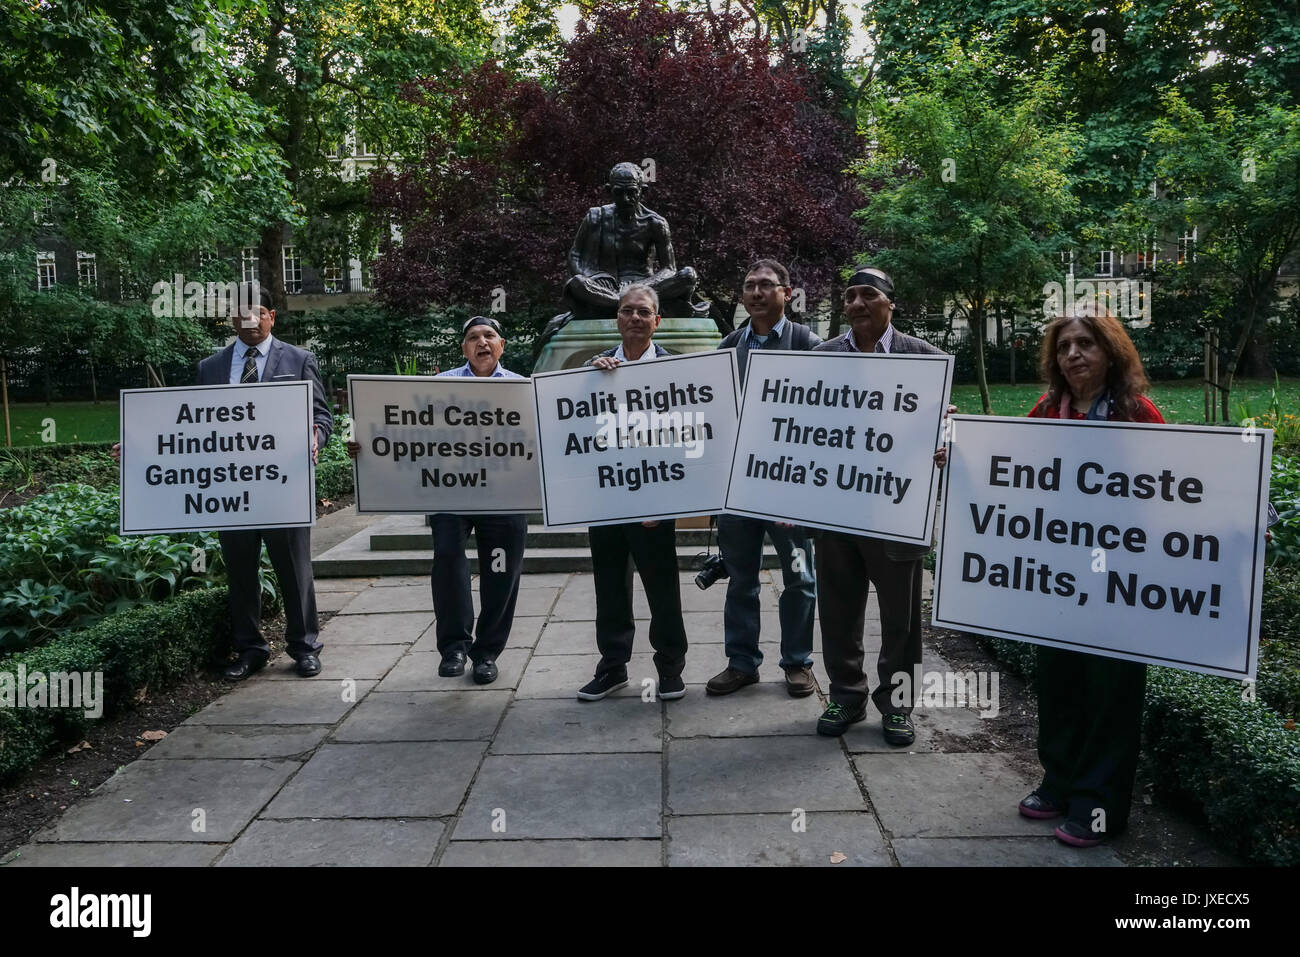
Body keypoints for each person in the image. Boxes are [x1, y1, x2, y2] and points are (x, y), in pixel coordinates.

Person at [111, 283, 333, 680]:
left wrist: (315, 437)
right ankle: (251, 650)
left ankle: (304, 647)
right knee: (241, 572)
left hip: (282, 487)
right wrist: (141, 449)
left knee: (294, 570)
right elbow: (190, 428)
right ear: (232, 318)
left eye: (259, 312)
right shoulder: (209, 368)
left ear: (271, 316)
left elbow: (322, 417)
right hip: (229, 489)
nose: (251, 320)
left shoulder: (299, 360)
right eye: (243, 314)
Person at [1017, 303, 1163, 848]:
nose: (1074, 354)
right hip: (1058, 578)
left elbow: (1178, 490)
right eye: (1064, 346)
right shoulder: (1046, 410)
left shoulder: (1137, 413)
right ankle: (1059, 783)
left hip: (1119, 583)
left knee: (1111, 692)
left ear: (1111, 352)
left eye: (1086, 344)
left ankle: (1099, 809)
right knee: (1058, 682)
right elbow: (1010, 475)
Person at [346, 316, 527, 685]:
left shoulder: (521, 389)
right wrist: (365, 445)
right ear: (464, 348)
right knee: (447, 559)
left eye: (489, 336)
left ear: (502, 345)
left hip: (504, 496)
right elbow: (403, 430)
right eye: (473, 337)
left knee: (500, 571)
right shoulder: (438, 387)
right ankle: (455, 647)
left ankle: (487, 653)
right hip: (449, 490)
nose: (482, 342)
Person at [811, 266, 948, 744]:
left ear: (891, 302)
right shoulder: (821, 357)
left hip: (897, 510)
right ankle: (845, 697)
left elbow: (947, 433)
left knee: (901, 619)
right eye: (849, 295)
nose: (856, 303)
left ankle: (897, 705)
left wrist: (946, 442)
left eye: (867, 294)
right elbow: (798, 431)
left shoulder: (927, 360)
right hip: (836, 510)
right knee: (837, 610)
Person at [706, 259, 821, 698]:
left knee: (800, 575)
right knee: (741, 578)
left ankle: (797, 663)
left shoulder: (809, 344)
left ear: (786, 293)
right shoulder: (728, 346)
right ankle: (741, 663)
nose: (755, 292)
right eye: (749, 285)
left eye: (766, 285)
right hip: (737, 487)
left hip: (790, 485)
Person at [576, 283, 690, 702]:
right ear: (617, 319)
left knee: (662, 587)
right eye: (628, 311)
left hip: (654, 500)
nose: (635, 318)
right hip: (607, 498)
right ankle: (612, 666)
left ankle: (671, 667)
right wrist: (594, 382)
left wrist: (668, 499)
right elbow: (579, 431)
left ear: (657, 320)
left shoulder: (676, 371)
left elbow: (688, 436)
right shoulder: (595, 370)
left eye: (644, 312)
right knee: (609, 585)